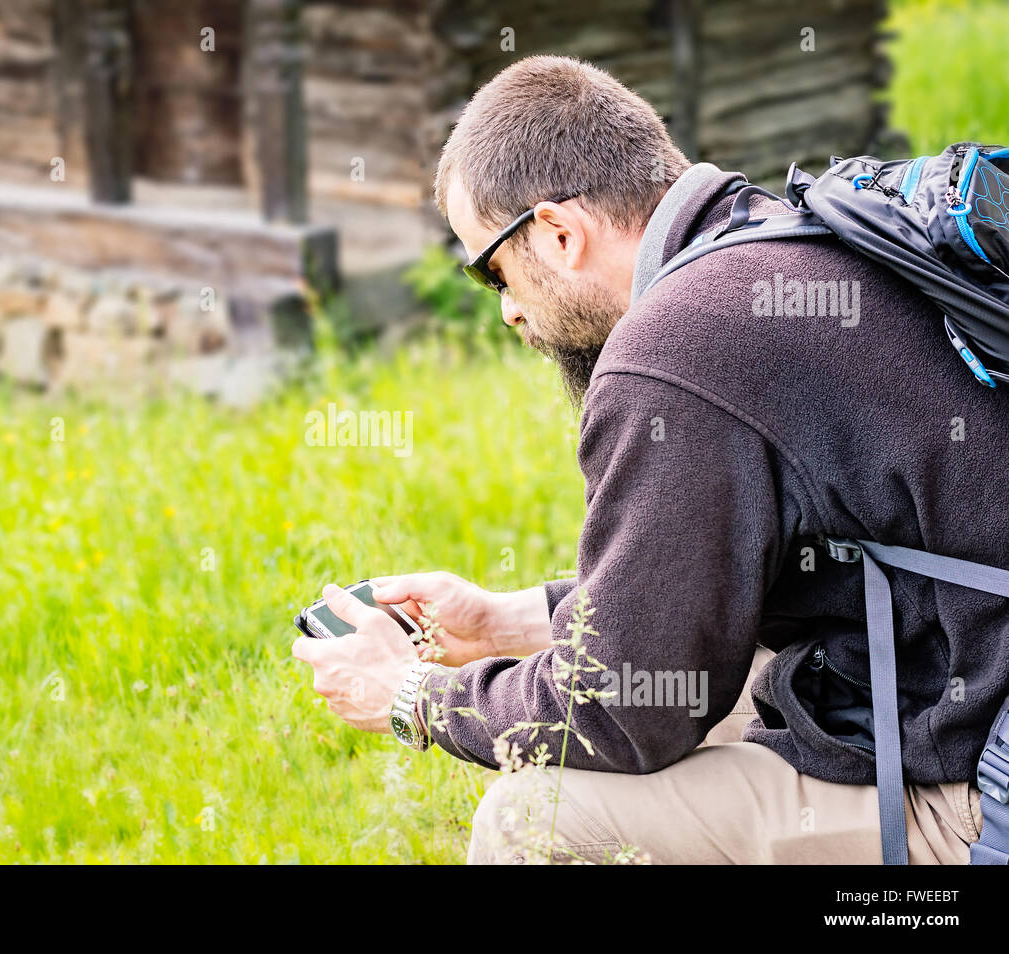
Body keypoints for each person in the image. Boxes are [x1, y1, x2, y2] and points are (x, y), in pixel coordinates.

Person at [291, 55, 1006, 864]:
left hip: (978, 785)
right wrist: (500, 621)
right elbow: (693, 603)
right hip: (966, 679)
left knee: (534, 819)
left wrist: (415, 696)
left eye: (493, 272)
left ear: (558, 233)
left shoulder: (679, 347)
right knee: (729, 682)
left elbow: (622, 709)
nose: (508, 311)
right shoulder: (782, 235)